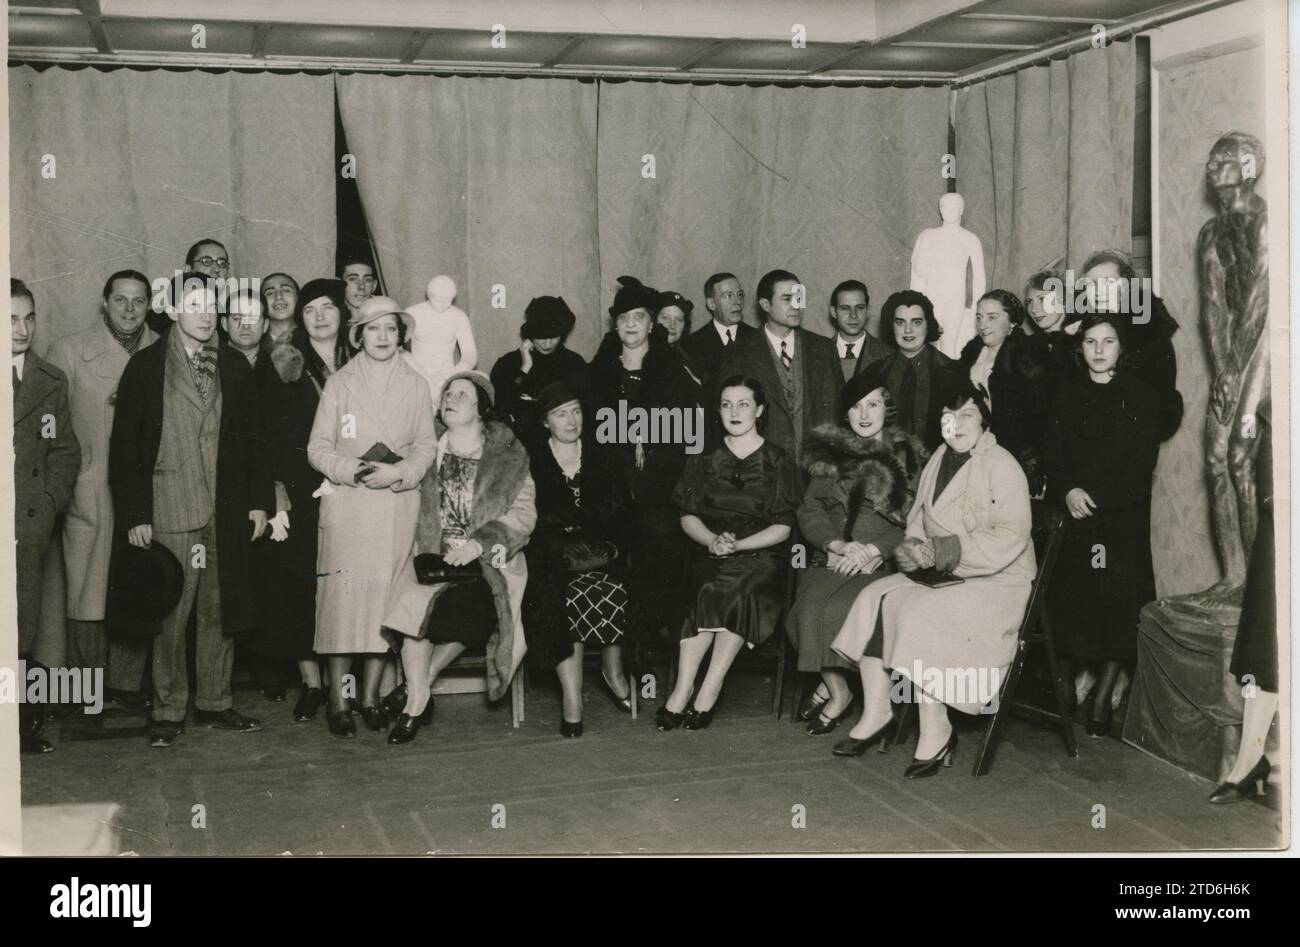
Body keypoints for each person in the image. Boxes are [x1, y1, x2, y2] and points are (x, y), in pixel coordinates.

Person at [832, 383, 1035, 777]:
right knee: (875, 595)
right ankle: (877, 711)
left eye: (967, 416)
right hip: (949, 572)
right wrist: (915, 548)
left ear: (985, 420)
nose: (956, 426)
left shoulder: (1002, 464)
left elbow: (1010, 536)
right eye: (948, 417)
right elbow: (918, 521)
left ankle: (936, 728)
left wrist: (941, 552)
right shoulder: (940, 457)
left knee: (919, 611)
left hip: (998, 579)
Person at [109, 274, 272, 748]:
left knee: (219, 611)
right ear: (173, 309)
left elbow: (254, 442)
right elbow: (125, 449)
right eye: (193, 304)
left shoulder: (236, 367)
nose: (204, 313)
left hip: (225, 507)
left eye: (210, 304)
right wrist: (136, 514)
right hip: (168, 506)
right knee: (171, 615)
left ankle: (216, 702)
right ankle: (167, 709)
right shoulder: (145, 366)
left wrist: (260, 502)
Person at [381, 371, 536, 745]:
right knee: (414, 610)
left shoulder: (508, 455)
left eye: (462, 395)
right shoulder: (425, 450)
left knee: (476, 611)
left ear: (482, 409)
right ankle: (416, 701)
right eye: (447, 393)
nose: (450, 399)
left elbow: (524, 514)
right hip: (430, 557)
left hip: (485, 561)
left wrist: (479, 543)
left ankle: (417, 688)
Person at [307, 296, 436, 738]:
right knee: (344, 605)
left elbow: (426, 446)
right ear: (358, 334)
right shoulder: (340, 383)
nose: (383, 337)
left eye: (391, 329)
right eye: (373, 329)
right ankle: (339, 700)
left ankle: (371, 697)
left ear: (401, 335)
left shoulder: (417, 385)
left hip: (395, 504)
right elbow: (317, 447)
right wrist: (354, 471)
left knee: (383, 606)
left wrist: (399, 473)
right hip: (350, 503)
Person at [787, 367, 927, 736]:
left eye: (873, 405)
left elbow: (917, 523)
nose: (864, 415)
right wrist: (836, 544)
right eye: (856, 408)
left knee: (838, 609)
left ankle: (831, 695)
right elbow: (810, 509)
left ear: (887, 408)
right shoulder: (833, 455)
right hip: (833, 556)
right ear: (846, 415)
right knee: (807, 608)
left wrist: (877, 551)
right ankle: (840, 690)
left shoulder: (907, 459)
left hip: (882, 564)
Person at [656, 376, 801, 731]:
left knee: (735, 591)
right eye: (726, 404)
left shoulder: (778, 459)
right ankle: (682, 688)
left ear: (760, 410)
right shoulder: (704, 458)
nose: (734, 412)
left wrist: (740, 545)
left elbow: (783, 527)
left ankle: (709, 687)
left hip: (761, 555)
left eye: (743, 404)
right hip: (711, 549)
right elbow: (687, 515)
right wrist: (711, 541)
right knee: (704, 587)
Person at [46, 270, 159, 713]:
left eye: (139, 300)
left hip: (144, 488)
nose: (129, 309)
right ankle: (82, 690)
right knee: (86, 588)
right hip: (89, 486)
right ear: (104, 302)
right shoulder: (69, 351)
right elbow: (52, 429)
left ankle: (126, 686)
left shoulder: (163, 351)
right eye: (120, 300)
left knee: (138, 582)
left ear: (150, 304)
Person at [1044, 314, 1160, 737]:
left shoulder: (1141, 397)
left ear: (1121, 349)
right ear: (1080, 349)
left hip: (1120, 523)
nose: (1098, 349)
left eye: (1107, 342)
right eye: (1090, 341)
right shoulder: (1067, 394)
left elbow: (1140, 465)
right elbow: (1053, 454)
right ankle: (1066, 690)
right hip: (1076, 519)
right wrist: (1069, 491)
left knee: (1116, 609)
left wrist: (1101, 502)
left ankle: (1102, 697)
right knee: (1073, 604)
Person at [248, 278, 352, 723]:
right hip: (304, 487)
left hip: (357, 486)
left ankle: (346, 689)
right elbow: (270, 431)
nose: (321, 316)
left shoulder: (362, 356)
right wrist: (280, 492)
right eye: (310, 310)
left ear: (343, 313)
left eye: (328, 307)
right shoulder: (285, 360)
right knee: (302, 585)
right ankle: (312, 685)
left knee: (347, 588)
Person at [588, 276, 698, 667]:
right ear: (615, 325)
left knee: (658, 537)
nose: (631, 325)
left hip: (660, 490)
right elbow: (590, 437)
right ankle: (618, 653)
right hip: (610, 489)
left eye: (639, 317)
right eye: (624, 318)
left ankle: (653, 642)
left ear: (652, 323)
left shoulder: (672, 371)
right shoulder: (601, 371)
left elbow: (688, 439)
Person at [521, 382, 634, 736]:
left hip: (601, 551)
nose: (571, 420)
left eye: (576, 411)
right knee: (564, 597)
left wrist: (606, 546)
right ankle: (573, 695)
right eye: (560, 414)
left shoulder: (603, 455)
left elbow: (622, 512)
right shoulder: (531, 461)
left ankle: (613, 671)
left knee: (618, 587)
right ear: (544, 421)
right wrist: (560, 544)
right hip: (552, 556)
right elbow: (528, 517)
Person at [11, 278, 81, 753]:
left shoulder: (50, 380)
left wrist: (49, 502)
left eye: (29, 317)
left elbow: (63, 451)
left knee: (20, 626)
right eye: (11, 318)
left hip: (26, 523)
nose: (22, 328)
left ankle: (17, 728)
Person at [1213, 400, 1276, 803]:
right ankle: (1250, 759)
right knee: (1265, 649)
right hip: (1284, 527)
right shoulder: (1278, 403)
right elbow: (1261, 469)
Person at [718, 269, 842, 464]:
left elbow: (839, 410)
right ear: (765, 304)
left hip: (817, 469)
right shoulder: (737, 355)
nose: (796, 305)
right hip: (763, 469)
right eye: (787, 298)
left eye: (799, 297)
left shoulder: (823, 348)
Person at [1080, 249, 1183, 443]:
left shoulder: (1149, 333)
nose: (1099, 291)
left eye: (1109, 283)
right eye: (1092, 284)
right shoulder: (1080, 334)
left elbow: (1163, 405)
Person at [958, 289, 1055, 493]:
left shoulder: (1026, 356)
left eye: (992, 318)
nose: (983, 325)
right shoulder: (973, 351)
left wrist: (998, 436)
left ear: (1012, 322)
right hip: (973, 446)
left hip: (1015, 454)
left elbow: (1036, 416)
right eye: (979, 317)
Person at [864, 290, 965, 451]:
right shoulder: (874, 374)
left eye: (916, 322)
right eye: (900, 322)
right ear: (891, 326)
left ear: (929, 324)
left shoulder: (953, 373)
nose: (908, 330)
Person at [489, 295, 590, 440]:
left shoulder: (574, 364)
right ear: (530, 334)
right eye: (541, 337)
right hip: (520, 445)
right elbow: (502, 407)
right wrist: (524, 369)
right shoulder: (508, 363)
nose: (547, 344)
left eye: (554, 337)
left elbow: (586, 413)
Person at [404, 274, 477, 402]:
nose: (445, 305)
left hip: (448, 377)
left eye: (449, 300)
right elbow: (400, 352)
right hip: (418, 377)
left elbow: (470, 355)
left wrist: (452, 376)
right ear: (429, 295)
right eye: (439, 300)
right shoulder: (412, 313)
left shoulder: (459, 317)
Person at [680, 272, 754, 392]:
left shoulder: (758, 338)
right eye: (728, 296)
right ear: (711, 304)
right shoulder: (691, 344)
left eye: (740, 294)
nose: (738, 301)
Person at [828, 279, 889, 381]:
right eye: (845, 308)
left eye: (860, 308)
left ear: (868, 311)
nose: (853, 315)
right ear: (834, 312)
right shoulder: (819, 354)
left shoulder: (887, 354)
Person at [260, 272, 300, 344]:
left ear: (298, 297)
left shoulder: (314, 341)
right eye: (269, 293)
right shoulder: (253, 346)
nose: (278, 296)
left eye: (286, 290)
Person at [340, 257, 378, 324]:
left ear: (374, 285)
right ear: (340, 284)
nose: (361, 286)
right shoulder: (334, 322)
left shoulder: (385, 316)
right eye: (353, 279)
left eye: (367, 280)